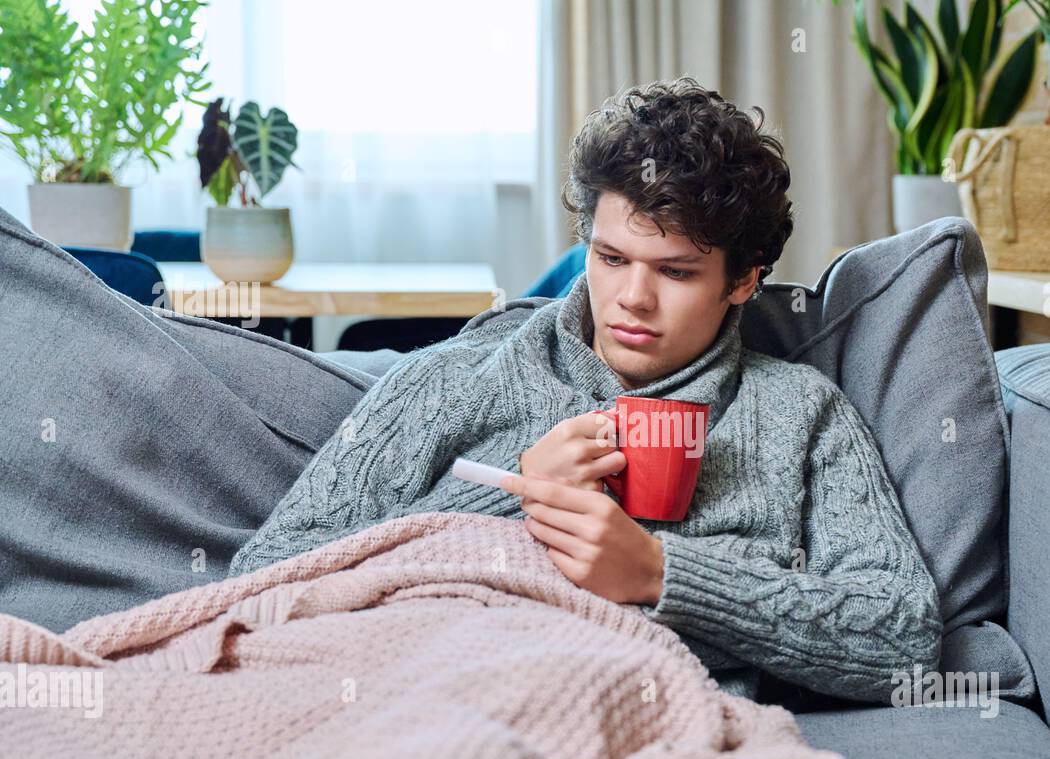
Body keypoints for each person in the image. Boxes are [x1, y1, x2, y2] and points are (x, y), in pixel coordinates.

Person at [228, 76, 942, 706]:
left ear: (745, 279)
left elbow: (903, 635)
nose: (632, 298)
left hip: (628, 724)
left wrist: (664, 577)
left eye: (677, 272)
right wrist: (501, 500)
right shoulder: (451, 379)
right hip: (410, 697)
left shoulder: (800, 415)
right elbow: (262, 577)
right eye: (610, 258)